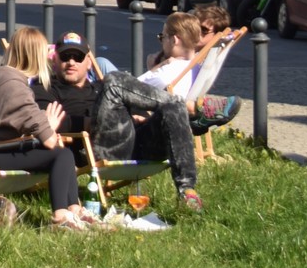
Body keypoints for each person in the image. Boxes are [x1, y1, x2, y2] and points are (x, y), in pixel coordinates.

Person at [39, 30, 204, 210]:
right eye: (65, 56)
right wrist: (90, 123)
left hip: (138, 143)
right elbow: (44, 124)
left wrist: (142, 117)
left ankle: (187, 191)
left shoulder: (99, 88)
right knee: (115, 80)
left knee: (169, 108)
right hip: (99, 148)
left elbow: (142, 110)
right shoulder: (47, 89)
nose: (71, 62)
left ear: (88, 63)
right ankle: (191, 111)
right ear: (54, 60)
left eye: (78, 57)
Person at [0, 26, 87, 230]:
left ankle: (75, 211)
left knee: (62, 154)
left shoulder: (3, 80)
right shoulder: (16, 89)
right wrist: (50, 126)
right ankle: (62, 217)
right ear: (36, 56)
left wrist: (45, 128)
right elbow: (49, 140)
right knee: (60, 155)